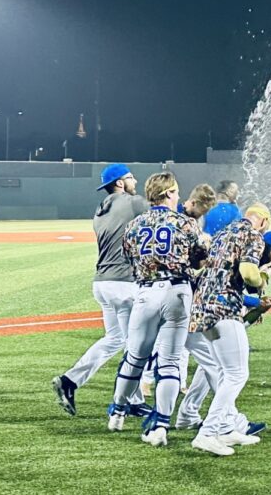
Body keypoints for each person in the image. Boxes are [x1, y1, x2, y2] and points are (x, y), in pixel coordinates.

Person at [108, 172, 210, 447]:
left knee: (135, 358)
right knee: (170, 361)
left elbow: (129, 257)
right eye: (175, 191)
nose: (178, 196)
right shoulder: (186, 223)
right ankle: (161, 425)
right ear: (167, 193)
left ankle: (117, 411)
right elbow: (201, 259)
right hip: (178, 291)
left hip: (146, 292)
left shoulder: (134, 225)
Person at [186, 204, 271, 457]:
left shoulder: (223, 233)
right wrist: (261, 280)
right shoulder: (253, 235)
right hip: (223, 310)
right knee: (237, 374)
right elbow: (248, 273)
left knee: (223, 371)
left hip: (201, 310)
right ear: (263, 222)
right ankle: (207, 433)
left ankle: (225, 428)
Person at [52, 164, 148, 417]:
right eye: (129, 178)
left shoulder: (101, 208)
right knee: (136, 345)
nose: (135, 180)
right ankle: (130, 400)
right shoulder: (132, 203)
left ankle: (70, 381)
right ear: (119, 183)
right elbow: (162, 214)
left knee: (115, 339)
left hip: (103, 283)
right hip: (124, 284)